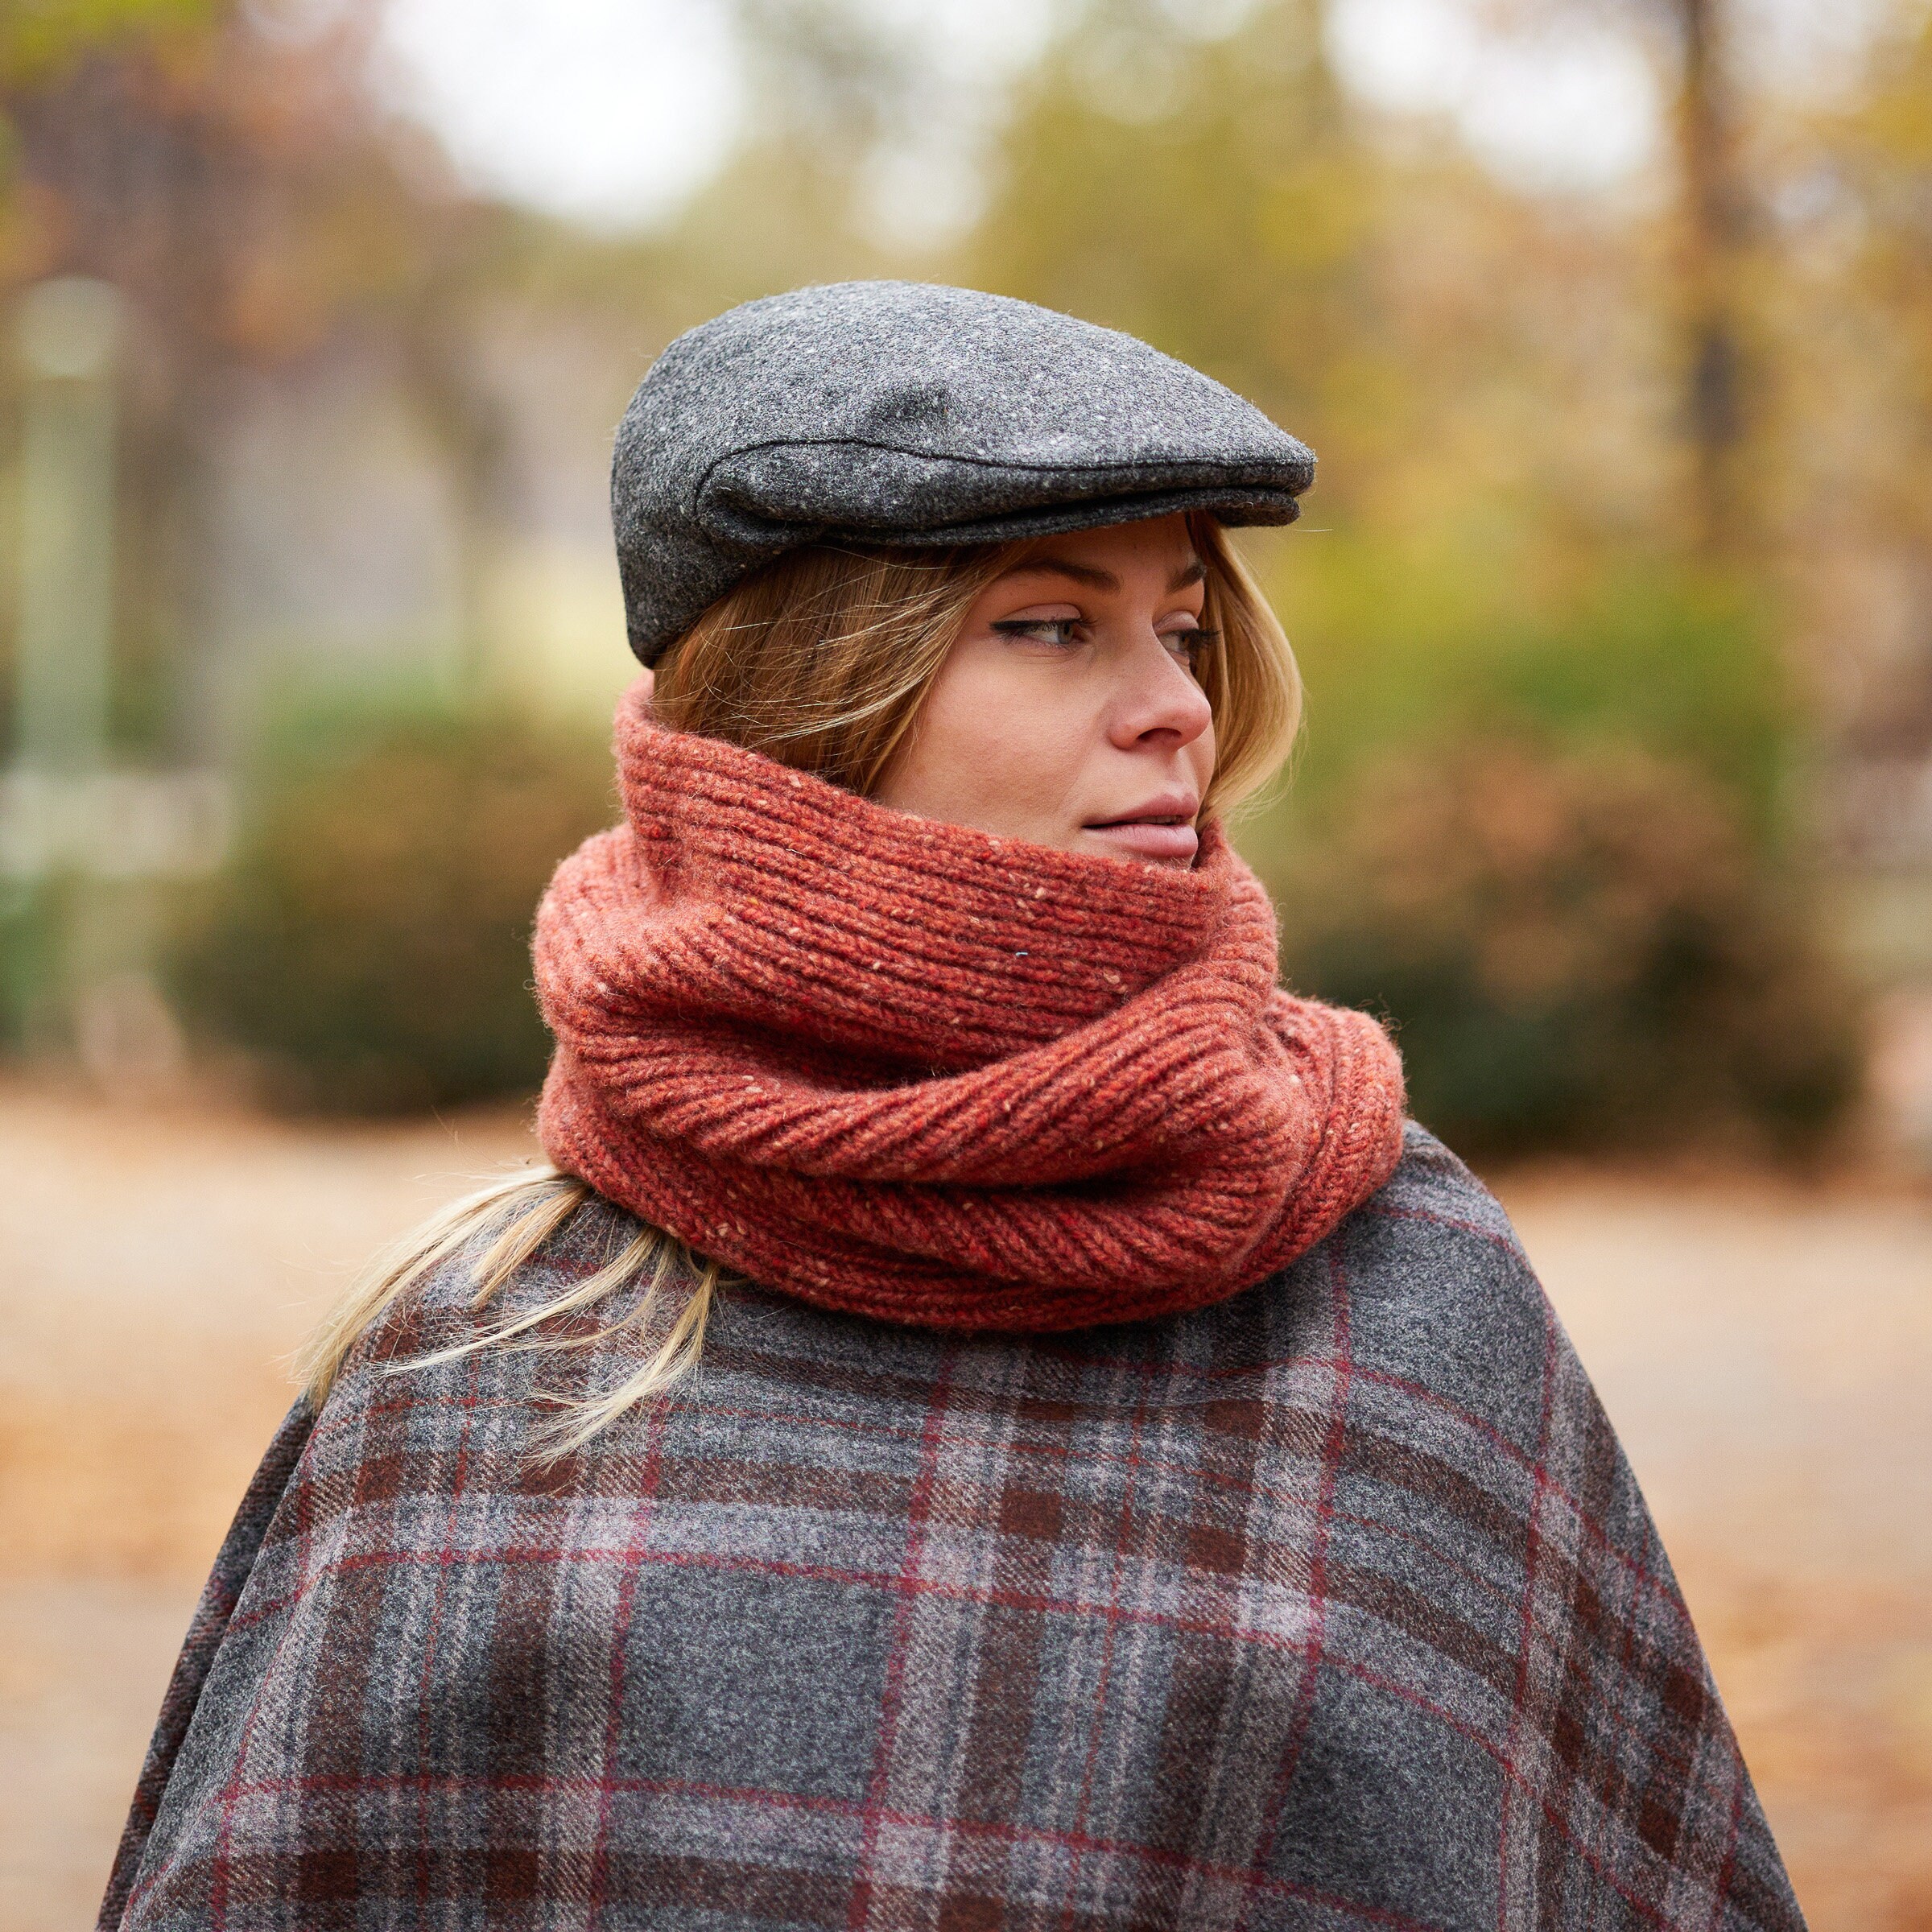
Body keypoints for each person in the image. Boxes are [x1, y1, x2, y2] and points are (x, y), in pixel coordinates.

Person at [99, 282, 1804, 1931]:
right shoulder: (486, 1346)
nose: (1178, 709)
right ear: (809, 704)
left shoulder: (1405, 1283)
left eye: (1185, 627)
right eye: (1052, 626)